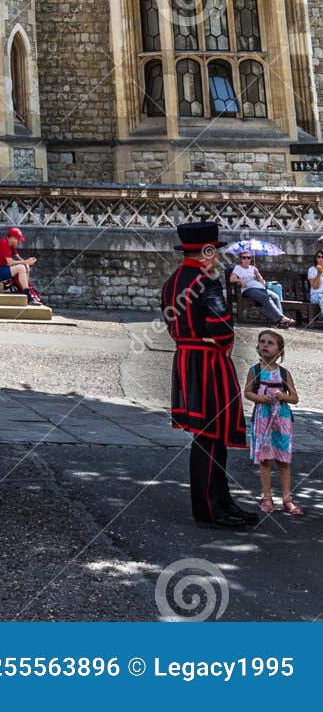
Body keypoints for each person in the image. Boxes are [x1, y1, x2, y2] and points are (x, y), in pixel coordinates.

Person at [161, 219, 256, 529]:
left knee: (208, 437)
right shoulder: (207, 283)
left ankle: (221, 500)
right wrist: (224, 342)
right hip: (208, 362)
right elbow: (221, 325)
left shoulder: (173, 281)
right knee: (210, 437)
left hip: (186, 356)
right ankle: (209, 507)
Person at [244, 329, 303, 516]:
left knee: (283, 460)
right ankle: (267, 497)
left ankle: (287, 499)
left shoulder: (284, 374)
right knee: (266, 459)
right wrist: (259, 398)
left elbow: (295, 398)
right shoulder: (254, 371)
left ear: (280, 351)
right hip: (263, 418)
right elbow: (247, 392)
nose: (265, 345)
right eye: (262, 342)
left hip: (281, 420)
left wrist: (283, 396)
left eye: (270, 343)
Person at [229, 249, 293, 329]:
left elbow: (260, 278)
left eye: (248, 258)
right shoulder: (238, 268)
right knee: (264, 297)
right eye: (244, 257)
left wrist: (261, 280)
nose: (246, 259)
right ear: (241, 259)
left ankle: (280, 322)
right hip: (248, 289)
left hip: (260, 288)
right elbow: (231, 279)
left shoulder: (253, 268)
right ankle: (281, 318)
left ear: (251, 259)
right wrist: (240, 280)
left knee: (276, 297)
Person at [0, 226, 38, 298]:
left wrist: (26, 263)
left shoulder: (10, 244)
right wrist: (26, 262)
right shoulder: (3, 243)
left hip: (2, 269)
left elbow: (18, 258)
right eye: (17, 239)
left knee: (24, 266)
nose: (19, 241)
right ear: (12, 238)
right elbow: (10, 263)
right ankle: (28, 295)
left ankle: (26, 289)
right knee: (21, 268)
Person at [308, 249, 323, 323]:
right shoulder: (312, 270)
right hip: (316, 295)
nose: (320, 259)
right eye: (319, 257)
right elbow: (315, 287)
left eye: (322, 257)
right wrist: (319, 274)